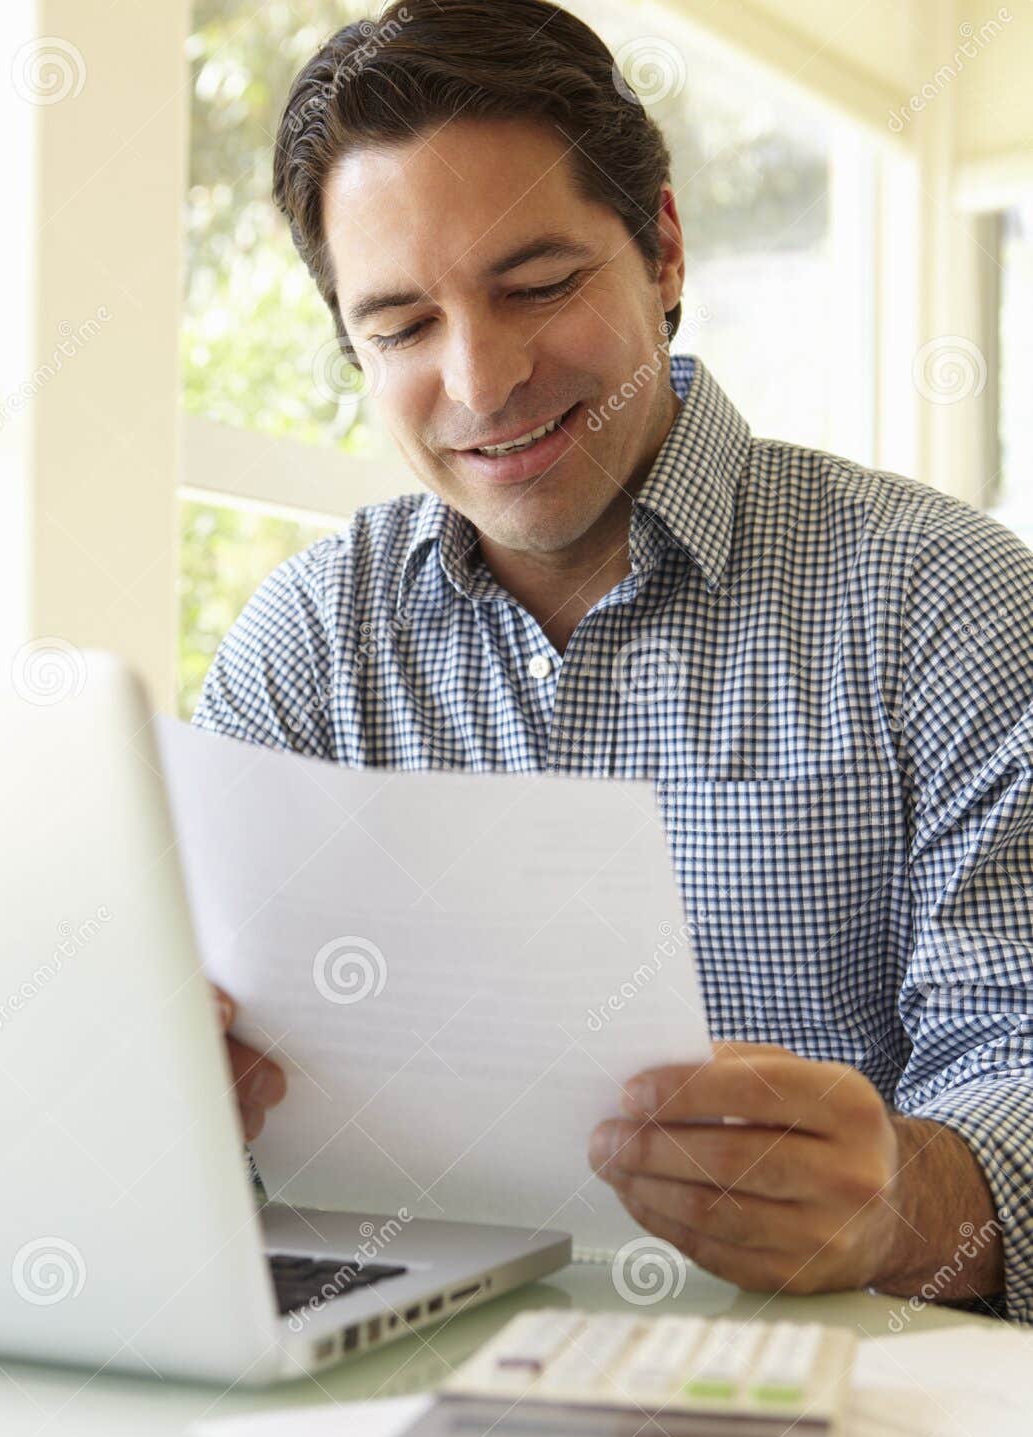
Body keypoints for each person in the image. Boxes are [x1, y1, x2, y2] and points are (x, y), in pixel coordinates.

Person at [195, 0, 1033, 1319]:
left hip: (851, 1415)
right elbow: (191, 1107)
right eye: (404, 326)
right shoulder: (301, 650)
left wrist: (906, 1203)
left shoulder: (951, 606)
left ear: (663, 250)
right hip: (377, 1413)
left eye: (537, 286)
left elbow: (1021, 1055)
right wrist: (169, 1098)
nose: (480, 380)